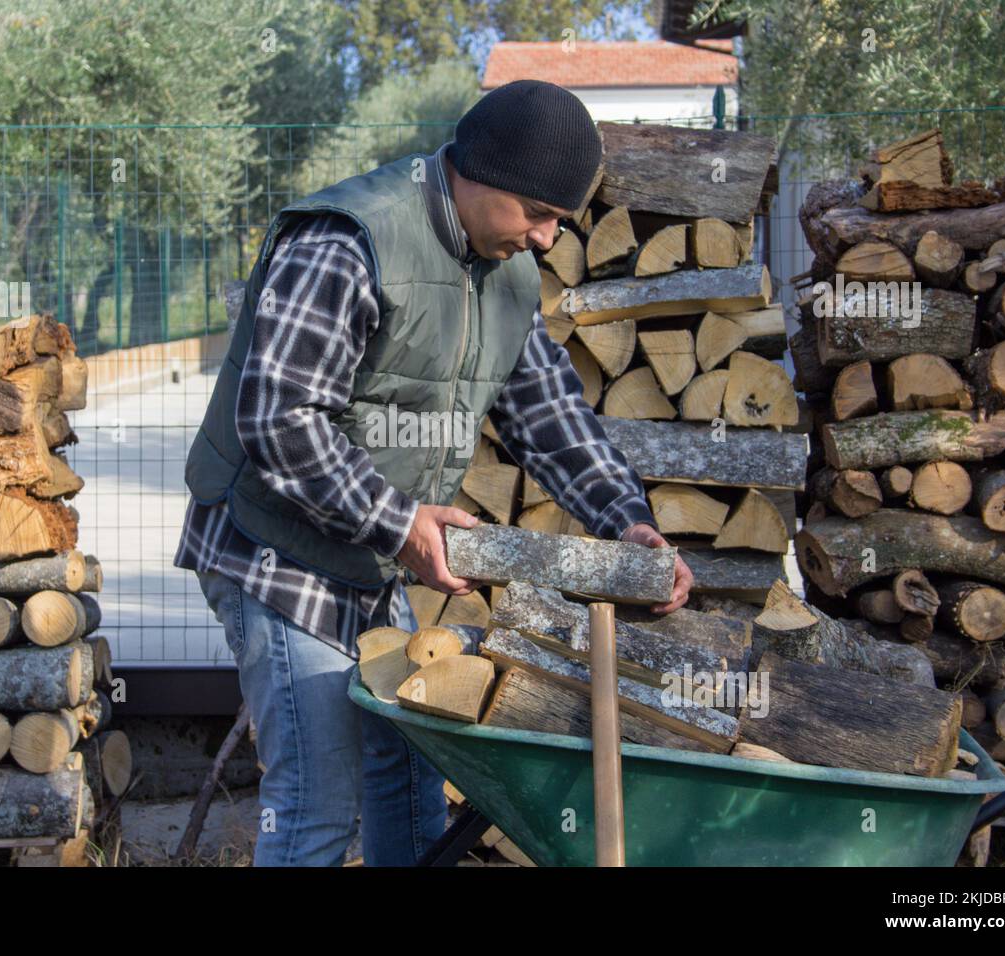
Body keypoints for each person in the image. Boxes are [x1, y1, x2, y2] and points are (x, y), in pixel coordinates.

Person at [175, 79, 693, 866]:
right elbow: (279, 421)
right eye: (538, 215)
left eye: (561, 220)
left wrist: (625, 520)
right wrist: (398, 521)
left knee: (409, 775)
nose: (550, 239)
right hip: (274, 550)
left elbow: (548, 415)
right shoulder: (349, 240)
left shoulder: (509, 275)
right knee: (316, 804)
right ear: (482, 177)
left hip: (370, 559)